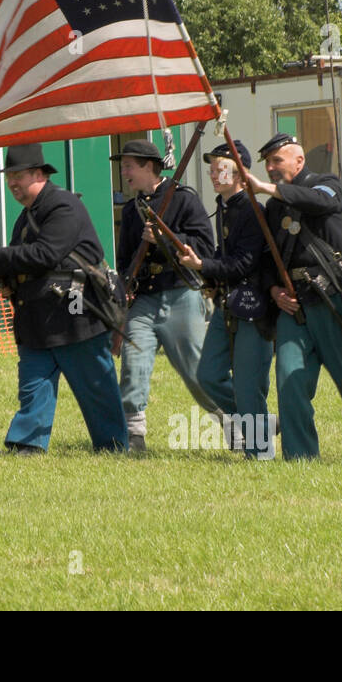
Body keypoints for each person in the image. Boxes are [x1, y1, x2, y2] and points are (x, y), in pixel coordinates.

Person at [244, 132, 342, 462]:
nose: (270, 168)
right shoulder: (274, 207)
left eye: (276, 161)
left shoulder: (326, 184)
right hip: (294, 307)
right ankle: (300, 457)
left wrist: (267, 188)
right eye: (267, 163)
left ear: (299, 161)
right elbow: (267, 259)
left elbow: (319, 202)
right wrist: (273, 290)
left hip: (330, 299)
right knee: (289, 380)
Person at [0, 144, 128, 454]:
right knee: (34, 383)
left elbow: (45, 254)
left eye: (18, 176)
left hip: (76, 308)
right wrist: (7, 280)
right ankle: (26, 445)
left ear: (38, 174)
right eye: (9, 177)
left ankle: (113, 446)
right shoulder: (27, 216)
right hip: (36, 314)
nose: (12, 183)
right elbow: (23, 257)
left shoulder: (63, 206)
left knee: (95, 383)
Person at [113, 139, 218, 451]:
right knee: (133, 363)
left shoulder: (184, 199)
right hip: (145, 297)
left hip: (179, 291)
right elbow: (125, 259)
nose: (124, 173)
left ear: (148, 166)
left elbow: (204, 246)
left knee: (197, 372)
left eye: (129, 166)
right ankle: (133, 434)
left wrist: (165, 239)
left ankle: (238, 425)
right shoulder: (132, 210)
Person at [177, 141, 275, 459]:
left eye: (219, 168)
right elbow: (225, 255)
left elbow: (244, 263)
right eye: (212, 169)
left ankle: (259, 453)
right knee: (207, 375)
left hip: (252, 306)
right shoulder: (225, 207)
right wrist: (209, 274)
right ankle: (260, 421)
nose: (212, 174)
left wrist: (203, 266)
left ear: (239, 174)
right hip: (228, 302)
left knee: (248, 384)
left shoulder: (252, 210)